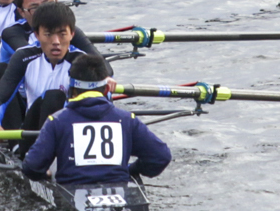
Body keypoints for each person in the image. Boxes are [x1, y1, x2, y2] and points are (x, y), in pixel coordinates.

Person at [22, 54, 172, 188]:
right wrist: (131, 170)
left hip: (72, 191)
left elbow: (32, 168)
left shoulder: (57, 121)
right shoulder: (127, 119)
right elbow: (161, 157)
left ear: (72, 90)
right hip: (118, 186)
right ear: (106, 90)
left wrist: (44, 175)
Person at [0, 1, 99, 134]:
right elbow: (0, 98)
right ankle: (21, 148)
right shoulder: (23, 57)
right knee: (52, 96)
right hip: (34, 132)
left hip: (71, 133)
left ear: (72, 34)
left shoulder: (82, 62)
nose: (56, 42)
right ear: (37, 35)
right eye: (48, 34)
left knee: (56, 97)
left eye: (62, 34)